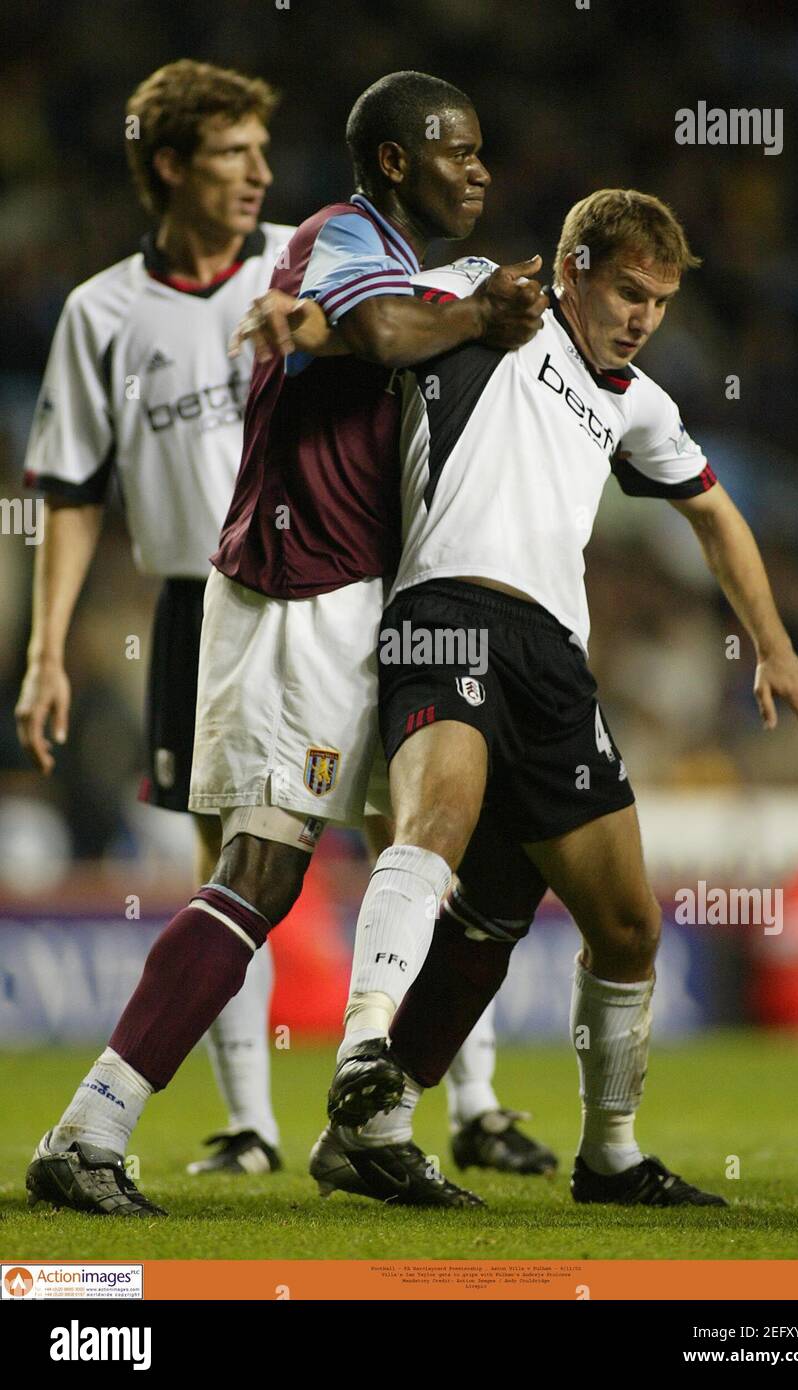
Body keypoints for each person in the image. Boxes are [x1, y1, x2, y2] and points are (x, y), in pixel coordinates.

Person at [24, 70, 548, 1217]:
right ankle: (90, 1127)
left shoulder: (415, 265)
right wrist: (474, 321)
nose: (480, 169)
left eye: (483, 149)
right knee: (260, 869)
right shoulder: (340, 236)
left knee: (464, 849)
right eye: (455, 149)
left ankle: (381, 1119)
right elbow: (368, 328)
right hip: (294, 592)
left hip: (380, 604)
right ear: (397, 160)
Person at [310, 189, 798, 1208]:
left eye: (661, 302)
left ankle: (606, 1155)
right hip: (445, 609)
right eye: (629, 291)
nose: (643, 318)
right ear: (576, 266)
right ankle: (361, 1046)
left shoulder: (634, 398)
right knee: (434, 823)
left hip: (553, 661)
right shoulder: (485, 297)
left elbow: (717, 515)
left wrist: (774, 648)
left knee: (622, 927)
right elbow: (364, 323)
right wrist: (296, 316)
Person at [16, 59, 295, 1178]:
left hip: (329, 587)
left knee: (404, 824)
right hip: (198, 602)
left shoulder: (298, 264)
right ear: (169, 164)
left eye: (260, 154)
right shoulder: (101, 312)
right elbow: (71, 491)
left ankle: (465, 1108)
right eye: (234, 153)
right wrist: (45, 651)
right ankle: (251, 1124)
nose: (259, 174)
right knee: (224, 862)